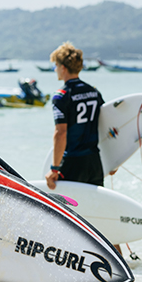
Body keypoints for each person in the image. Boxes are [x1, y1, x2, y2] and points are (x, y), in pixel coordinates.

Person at [45, 42, 106, 190]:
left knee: (66, 204)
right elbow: (105, 124)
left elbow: (61, 133)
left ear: (63, 68)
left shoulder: (61, 96)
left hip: (72, 163)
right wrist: (113, 161)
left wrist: (54, 169)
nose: (55, 69)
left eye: (56, 66)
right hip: (94, 163)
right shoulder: (94, 92)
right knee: (93, 204)